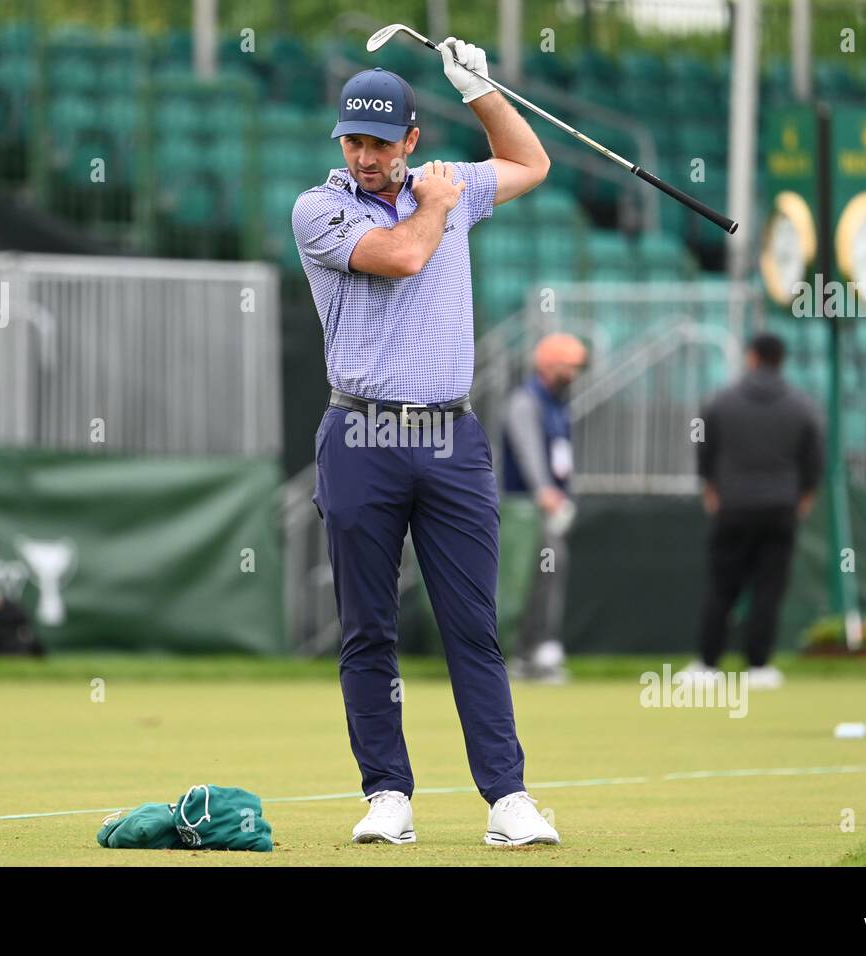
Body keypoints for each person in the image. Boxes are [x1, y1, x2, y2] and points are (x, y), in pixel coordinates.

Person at [290, 38, 558, 845]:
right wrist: (437, 201)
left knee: (471, 624)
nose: (364, 156)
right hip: (360, 430)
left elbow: (531, 161)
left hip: (451, 433)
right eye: (353, 141)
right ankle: (387, 795)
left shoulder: (453, 185)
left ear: (410, 140)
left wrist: (477, 90)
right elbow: (404, 257)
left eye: (379, 142)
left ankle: (507, 799)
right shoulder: (320, 208)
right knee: (367, 626)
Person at [685, 333, 822, 689]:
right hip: (780, 509)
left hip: (731, 506)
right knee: (768, 588)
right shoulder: (802, 404)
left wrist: (710, 485)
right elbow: (814, 454)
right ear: (781, 359)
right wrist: (805, 494)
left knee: (721, 587)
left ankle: (707, 665)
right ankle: (758, 667)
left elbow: (702, 443)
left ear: (751, 358)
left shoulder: (721, 400)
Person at [500, 332, 588, 683]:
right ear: (549, 365)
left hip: (548, 507)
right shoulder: (526, 401)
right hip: (523, 510)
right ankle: (528, 650)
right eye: (569, 365)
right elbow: (528, 451)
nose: (575, 373)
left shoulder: (558, 403)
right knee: (529, 577)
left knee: (550, 570)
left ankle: (536, 647)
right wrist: (545, 492)